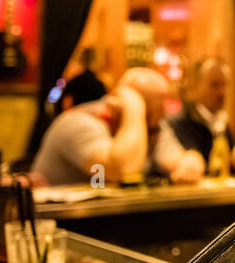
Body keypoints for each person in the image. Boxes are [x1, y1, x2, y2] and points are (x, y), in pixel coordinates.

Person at [30, 67, 168, 186]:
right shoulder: (76, 122)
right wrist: (135, 108)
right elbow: (123, 170)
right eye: (148, 111)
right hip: (62, 215)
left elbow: (176, 162)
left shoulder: (152, 124)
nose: (164, 115)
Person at [154, 58, 235, 182]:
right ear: (194, 87)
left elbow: (222, 170)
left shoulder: (221, 122)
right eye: (214, 85)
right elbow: (193, 170)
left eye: (224, 85)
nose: (222, 92)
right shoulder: (180, 121)